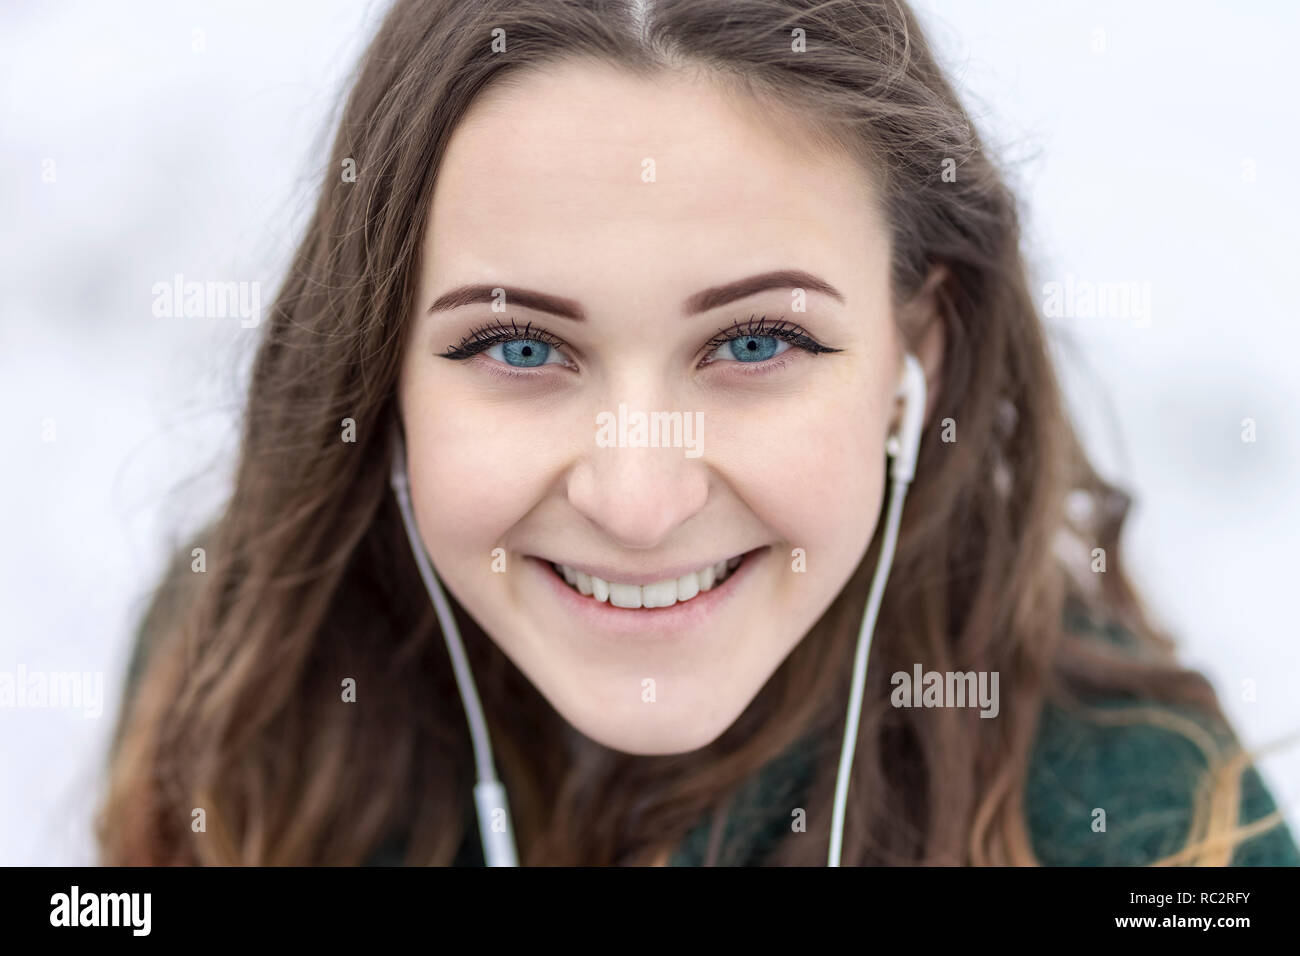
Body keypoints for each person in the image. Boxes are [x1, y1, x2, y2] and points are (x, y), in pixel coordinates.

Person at [96, 0, 1297, 866]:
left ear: (910, 355)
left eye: (756, 343)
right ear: (382, 370)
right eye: (519, 348)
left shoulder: (1153, 831)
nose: (638, 499)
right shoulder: (242, 670)